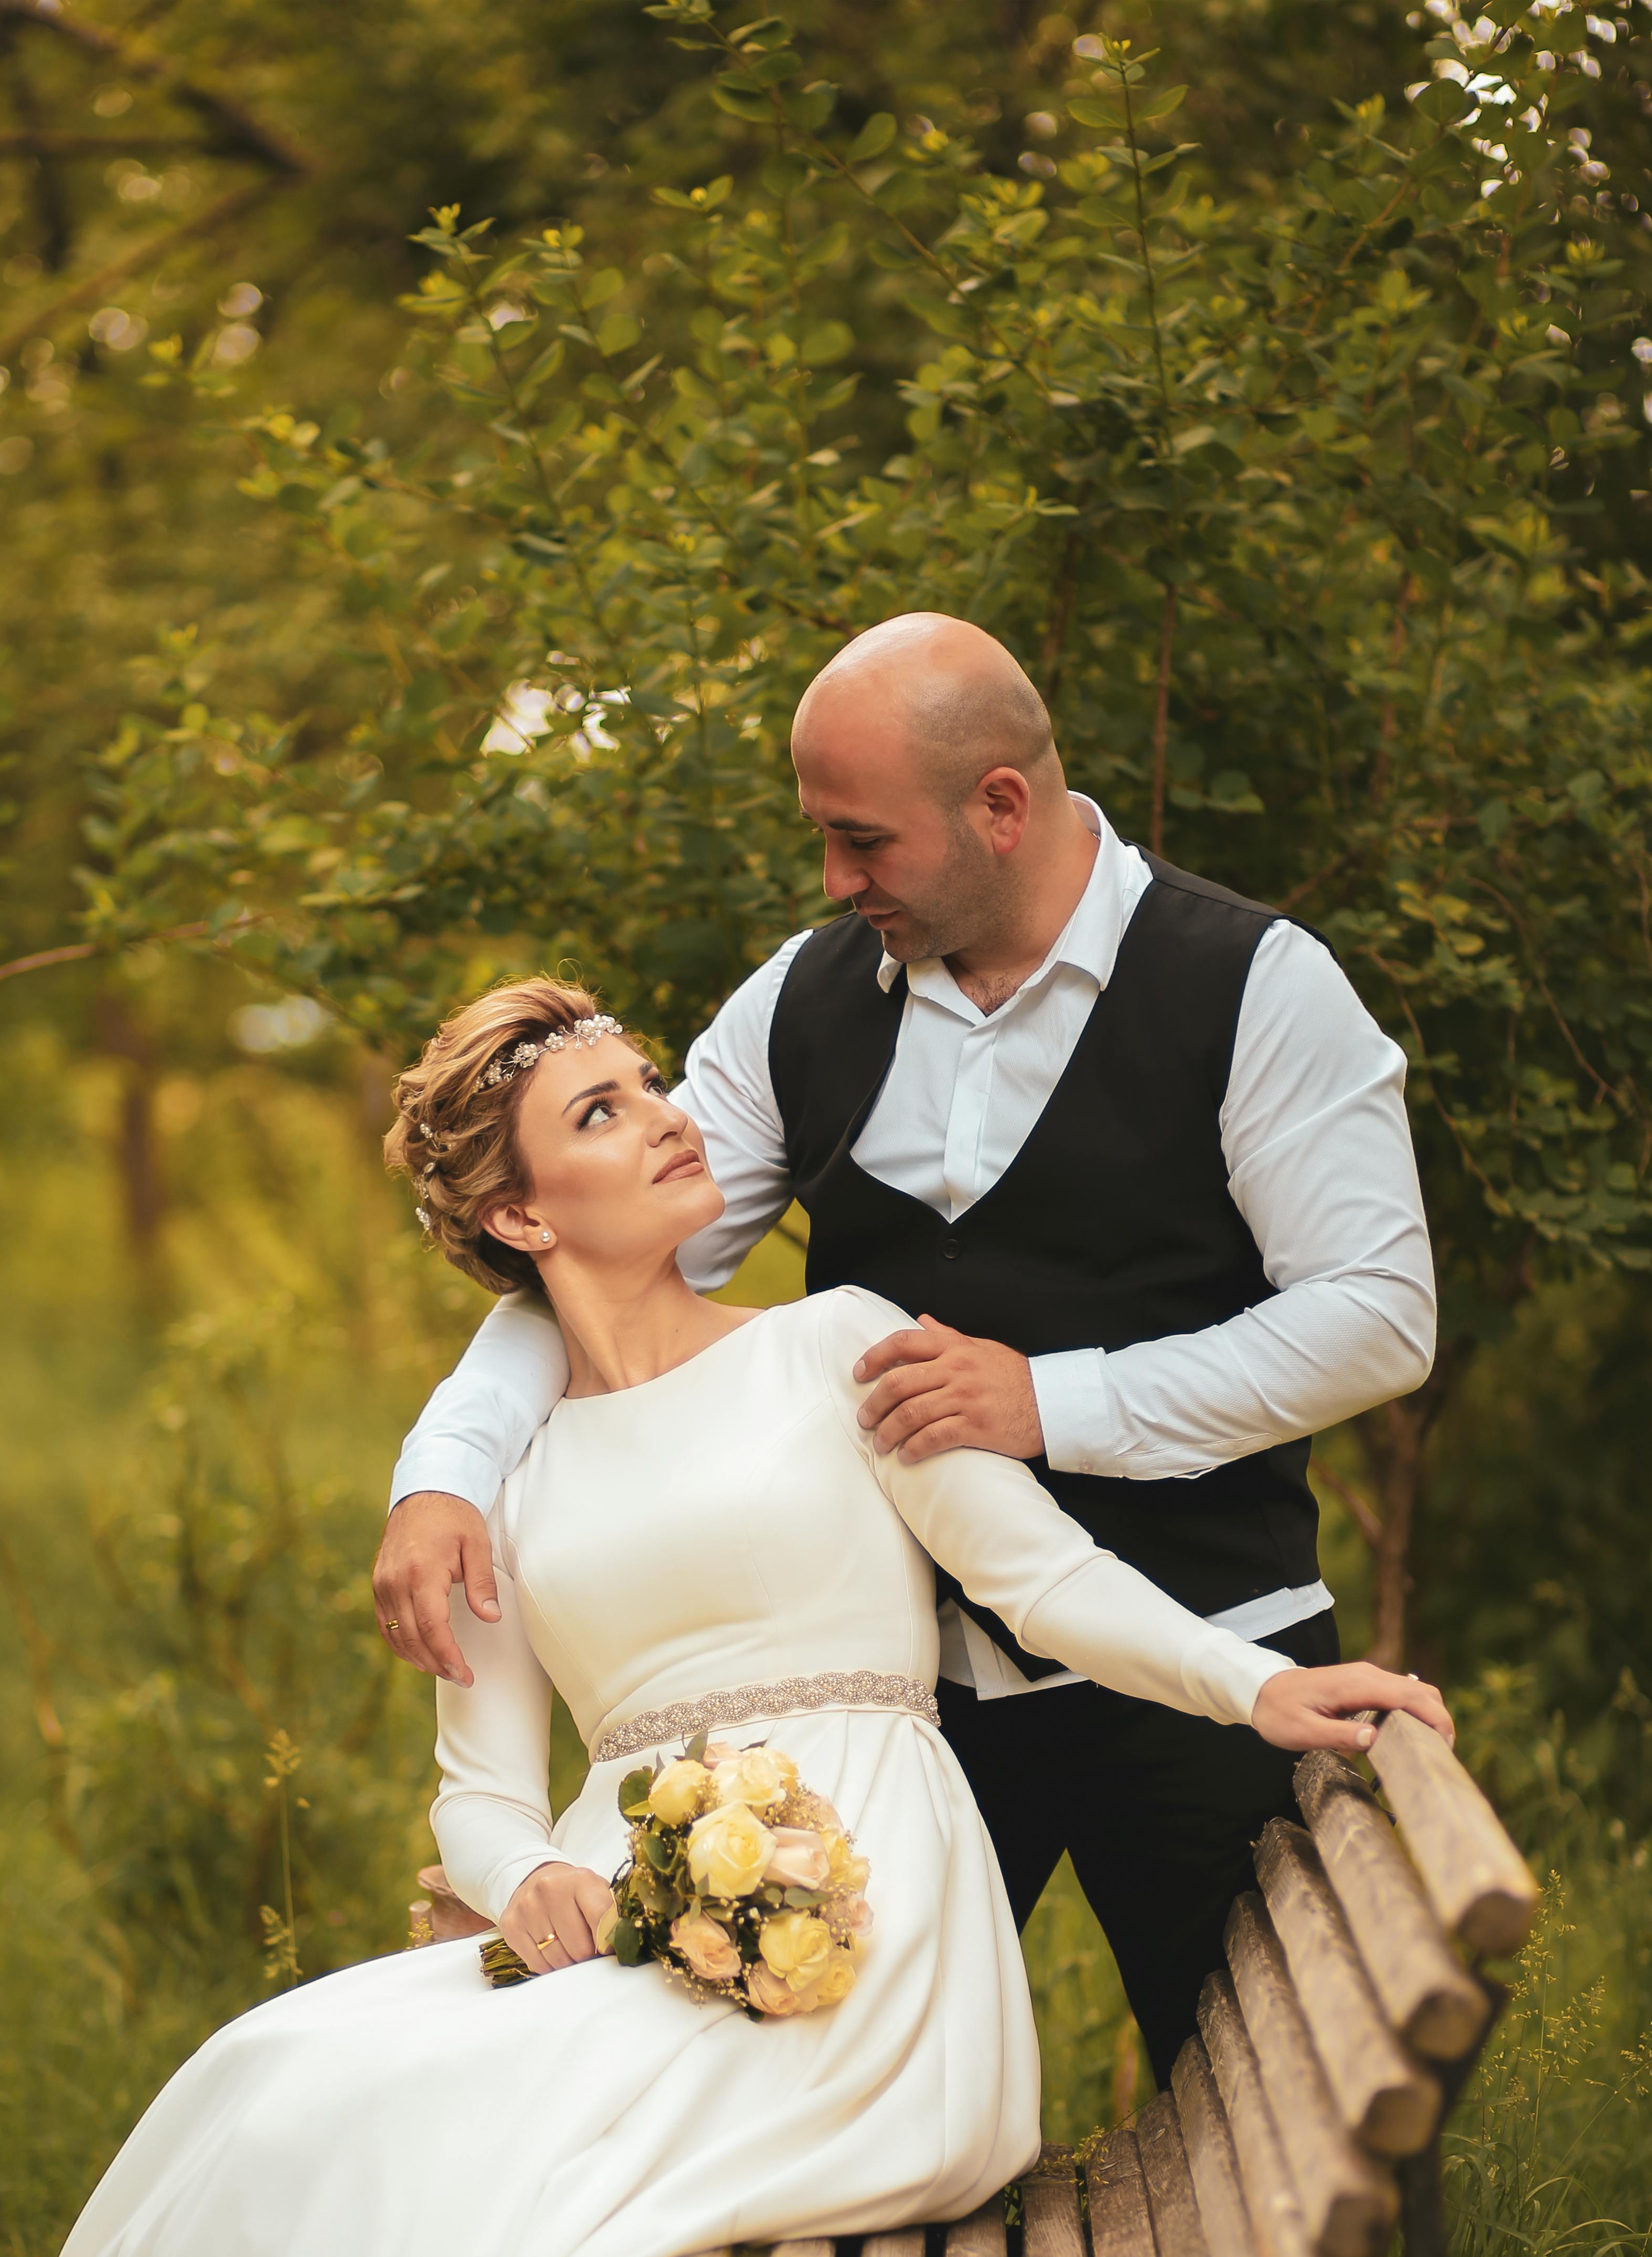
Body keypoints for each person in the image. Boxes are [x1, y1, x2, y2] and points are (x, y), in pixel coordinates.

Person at [0, 980, 1447, 2257]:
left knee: (428, 2169)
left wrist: (1261, 1684)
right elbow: (487, 1796)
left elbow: (1042, 1586)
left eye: (654, 1086)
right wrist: (522, 1894)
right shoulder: (496, 1488)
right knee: (264, 2099)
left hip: (858, 1932)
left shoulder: (838, 1344)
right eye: (601, 1114)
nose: (668, 1118)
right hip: (618, 1909)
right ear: (518, 1217)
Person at [373, 613, 1437, 2079]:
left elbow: (1378, 1317)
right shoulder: (805, 1006)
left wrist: (1053, 1404)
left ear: (1000, 807)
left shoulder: (1255, 987)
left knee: (1263, 2114)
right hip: (915, 1721)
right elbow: (593, 1268)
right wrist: (447, 1470)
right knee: (805, 2090)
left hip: (1198, 1656)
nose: (833, 879)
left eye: (863, 841)